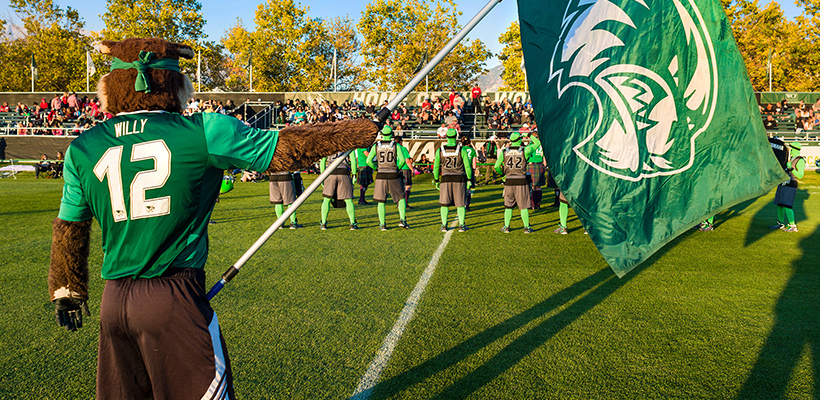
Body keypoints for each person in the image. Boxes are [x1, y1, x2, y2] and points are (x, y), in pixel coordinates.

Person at [47, 37, 377, 400]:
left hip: (115, 304)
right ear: (173, 83)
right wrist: (357, 131)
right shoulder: (205, 130)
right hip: (171, 297)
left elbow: (70, 227)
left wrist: (68, 292)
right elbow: (284, 150)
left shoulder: (82, 147)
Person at [367, 126, 409, 230]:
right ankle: (402, 220)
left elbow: (368, 161)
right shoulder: (396, 145)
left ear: (381, 134)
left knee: (381, 201)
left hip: (381, 174)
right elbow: (403, 160)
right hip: (393, 174)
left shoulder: (376, 145)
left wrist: (376, 168)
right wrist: (397, 168)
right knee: (401, 198)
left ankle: (382, 224)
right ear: (391, 134)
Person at [433, 128, 473, 232]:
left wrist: (436, 180)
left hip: (445, 178)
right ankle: (461, 225)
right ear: (456, 136)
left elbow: (436, 167)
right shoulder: (462, 150)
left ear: (446, 136)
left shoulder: (440, 150)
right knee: (460, 204)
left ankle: (444, 225)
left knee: (444, 204)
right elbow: (467, 167)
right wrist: (469, 179)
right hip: (459, 178)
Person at [495, 133, 535, 233]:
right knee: (524, 206)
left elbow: (496, 166)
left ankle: (506, 227)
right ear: (519, 139)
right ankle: (527, 227)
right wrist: (529, 134)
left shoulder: (505, 151)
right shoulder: (525, 150)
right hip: (521, 180)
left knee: (508, 205)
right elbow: (537, 143)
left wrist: (502, 175)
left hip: (509, 180)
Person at [770, 141, 806, 232]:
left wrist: (791, 169)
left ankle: (793, 226)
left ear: (795, 149)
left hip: (791, 184)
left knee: (787, 205)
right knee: (779, 204)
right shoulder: (788, 159)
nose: (790, 150)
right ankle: (780, 223)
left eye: (791, 148)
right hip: (783, 183)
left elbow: (800, 175)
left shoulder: (800, 160)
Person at [319, 151, 359, 230]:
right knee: (348, 199)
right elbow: (353, 160)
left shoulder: (328, 144)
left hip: (330, 172)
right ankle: (352, 224)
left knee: (326, 199)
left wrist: (322, 175)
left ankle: (323, 223)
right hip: (344, 172)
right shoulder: (348, 144)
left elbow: (323, 161)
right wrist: (354, 174)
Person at [522, 125, 545, 209]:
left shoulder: (532, 144)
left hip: (532, 164)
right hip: (540, 164)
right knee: (538, 186)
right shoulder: (542, 144)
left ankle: (532, 204)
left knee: (532, 186)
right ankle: (537, 204)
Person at [394, 135, 415, 208]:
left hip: (396, 169)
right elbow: (407, 160)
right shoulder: (403, 148)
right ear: (401, 142)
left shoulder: (392, 149)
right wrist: (412, 169)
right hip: (405, 168)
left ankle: (398, 204)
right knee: (407, 187)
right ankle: (405, 204)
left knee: (398, 187)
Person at [460, 135, 478, 211]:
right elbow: (474, 164)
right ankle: (467, 205)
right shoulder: (472, 150)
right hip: (469, 169)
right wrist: (473, 170)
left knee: (461, 188)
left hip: (461, 169)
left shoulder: (460, 149)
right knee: (468, 188)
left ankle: (461, 204)